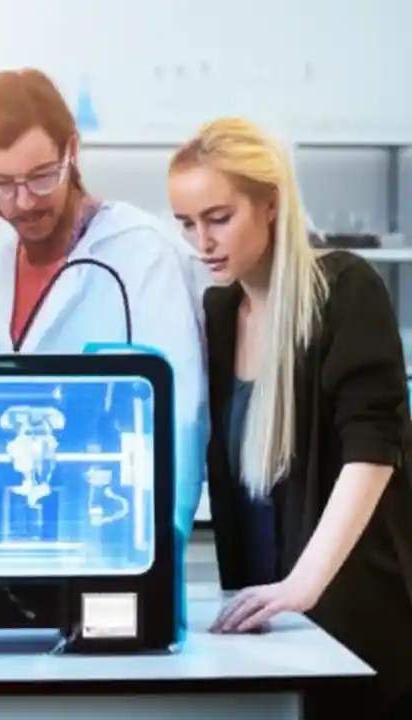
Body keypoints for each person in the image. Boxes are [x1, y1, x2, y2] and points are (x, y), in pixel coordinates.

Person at [0, 68, 211, 604]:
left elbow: (181, 421)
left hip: (116, 545)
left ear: (72, 151)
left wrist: (157, 567)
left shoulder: (141, 253)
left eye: (42, 176)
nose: (24, 201)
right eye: (0, 184)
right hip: (23, 545)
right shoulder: (0, 265)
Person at [170, 117, 412, 719]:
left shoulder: (344, 290)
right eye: (187, 224)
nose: (202, 242)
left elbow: (373, 450)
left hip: (351, 620)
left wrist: (303, 586)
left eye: (218, 218)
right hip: (266, 624)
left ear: (271, 203)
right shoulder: (218, 313)